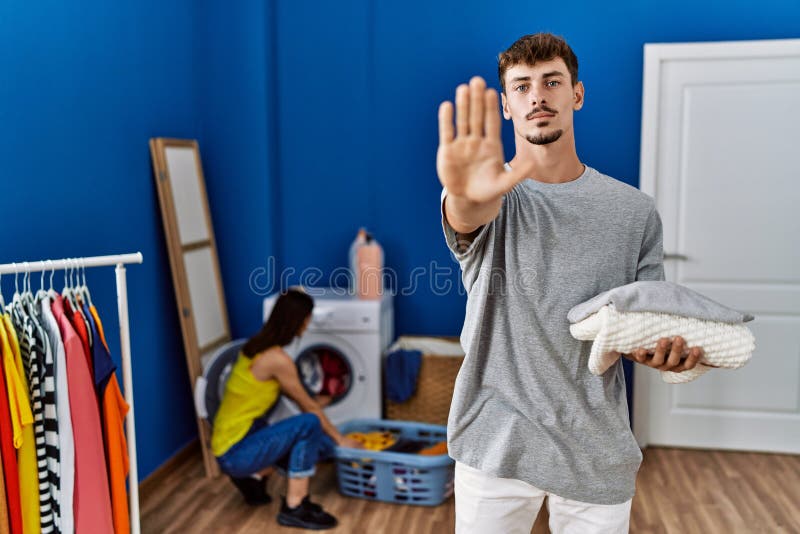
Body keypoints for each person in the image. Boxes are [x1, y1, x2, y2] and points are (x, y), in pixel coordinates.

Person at [436, 33, 705, 533]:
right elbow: (467, 212)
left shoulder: (633, 211)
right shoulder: (493, 199)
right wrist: (463, 195)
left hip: (595, 448)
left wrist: (660, 350)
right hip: (495, 440)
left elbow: (642, 323)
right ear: (507, 105)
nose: (537, 96)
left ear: (576, 94)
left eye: (551, 82)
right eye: (522, 87)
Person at [210, 286, 363, 530]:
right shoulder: (277, 360)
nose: (308, 324)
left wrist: (321, 402)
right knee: (312, 426)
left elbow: (297, 396)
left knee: (321, 446)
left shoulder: (255, 348)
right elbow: (308, 409)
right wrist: (340, 438)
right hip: (235, 452)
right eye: (306, 318)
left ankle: (255, 477)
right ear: (298, 322)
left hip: (232, 441)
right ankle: (295, 506)